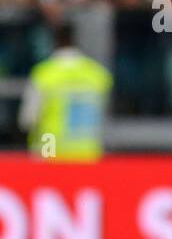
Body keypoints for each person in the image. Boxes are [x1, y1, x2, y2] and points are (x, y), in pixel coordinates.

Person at [18, 23, 112, 161]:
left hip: (50, 151)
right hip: (87, 155)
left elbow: (28, 119)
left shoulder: (44, 74)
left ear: (55, 41)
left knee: (48, 183)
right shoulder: (98, 74)